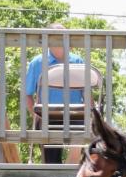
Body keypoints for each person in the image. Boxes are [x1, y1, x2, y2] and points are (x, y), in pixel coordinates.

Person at [24, 24, 84, 164]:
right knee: (51, 161)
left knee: (82, 140)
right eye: (55, 36)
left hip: (75, 115)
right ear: (48, 40)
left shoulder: (78, 61)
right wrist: (35, 115)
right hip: (48, 116)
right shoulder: (37, 62)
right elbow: (27, 94)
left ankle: (70, 174)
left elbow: (86, 93)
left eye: (63, 36)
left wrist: (93, 115)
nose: (60, 40)